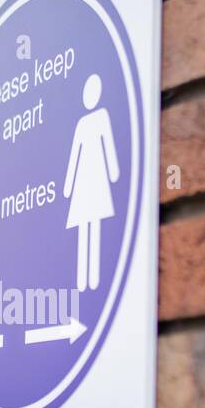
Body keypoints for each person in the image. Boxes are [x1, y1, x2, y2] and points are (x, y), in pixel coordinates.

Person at [62, 74, 119, 291]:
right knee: (84, 228)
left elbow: (108, 147)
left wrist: (113, 173)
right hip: (83, 183)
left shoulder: (102, 117)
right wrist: (68, 187)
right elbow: (74, 155)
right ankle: (83, 281)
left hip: (96, 179)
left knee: (94, 225)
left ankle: (92, 280)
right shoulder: (82, 124)